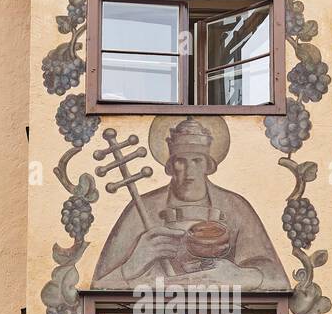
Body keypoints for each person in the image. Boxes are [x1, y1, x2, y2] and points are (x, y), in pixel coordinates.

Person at [92, 118, 288, 290]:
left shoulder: (236, 207)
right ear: (170, 166)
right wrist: (134, 263)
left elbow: (277, 280)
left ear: (208, 165)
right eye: (180, 161)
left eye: (197, 160)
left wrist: (239, 276)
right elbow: (98, 286)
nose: (189, 170)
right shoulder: (141, 209)